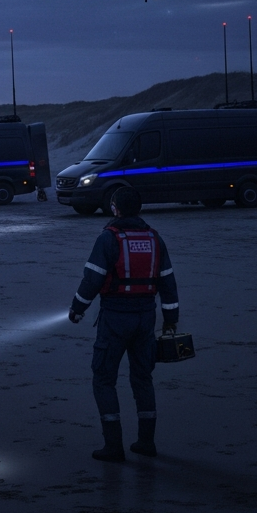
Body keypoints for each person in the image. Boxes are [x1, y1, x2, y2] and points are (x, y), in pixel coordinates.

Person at [68, 186, 179, 462]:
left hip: (115, 319)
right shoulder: (155, 239)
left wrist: (77, 309)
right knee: (143, 378)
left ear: (115, 208)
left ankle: (113, 445)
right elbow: (168, 283)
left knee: (104, 379)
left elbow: (92, 279)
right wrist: (170, 320)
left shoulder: (109, 238)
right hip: (146, 319)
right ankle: (146, 441)